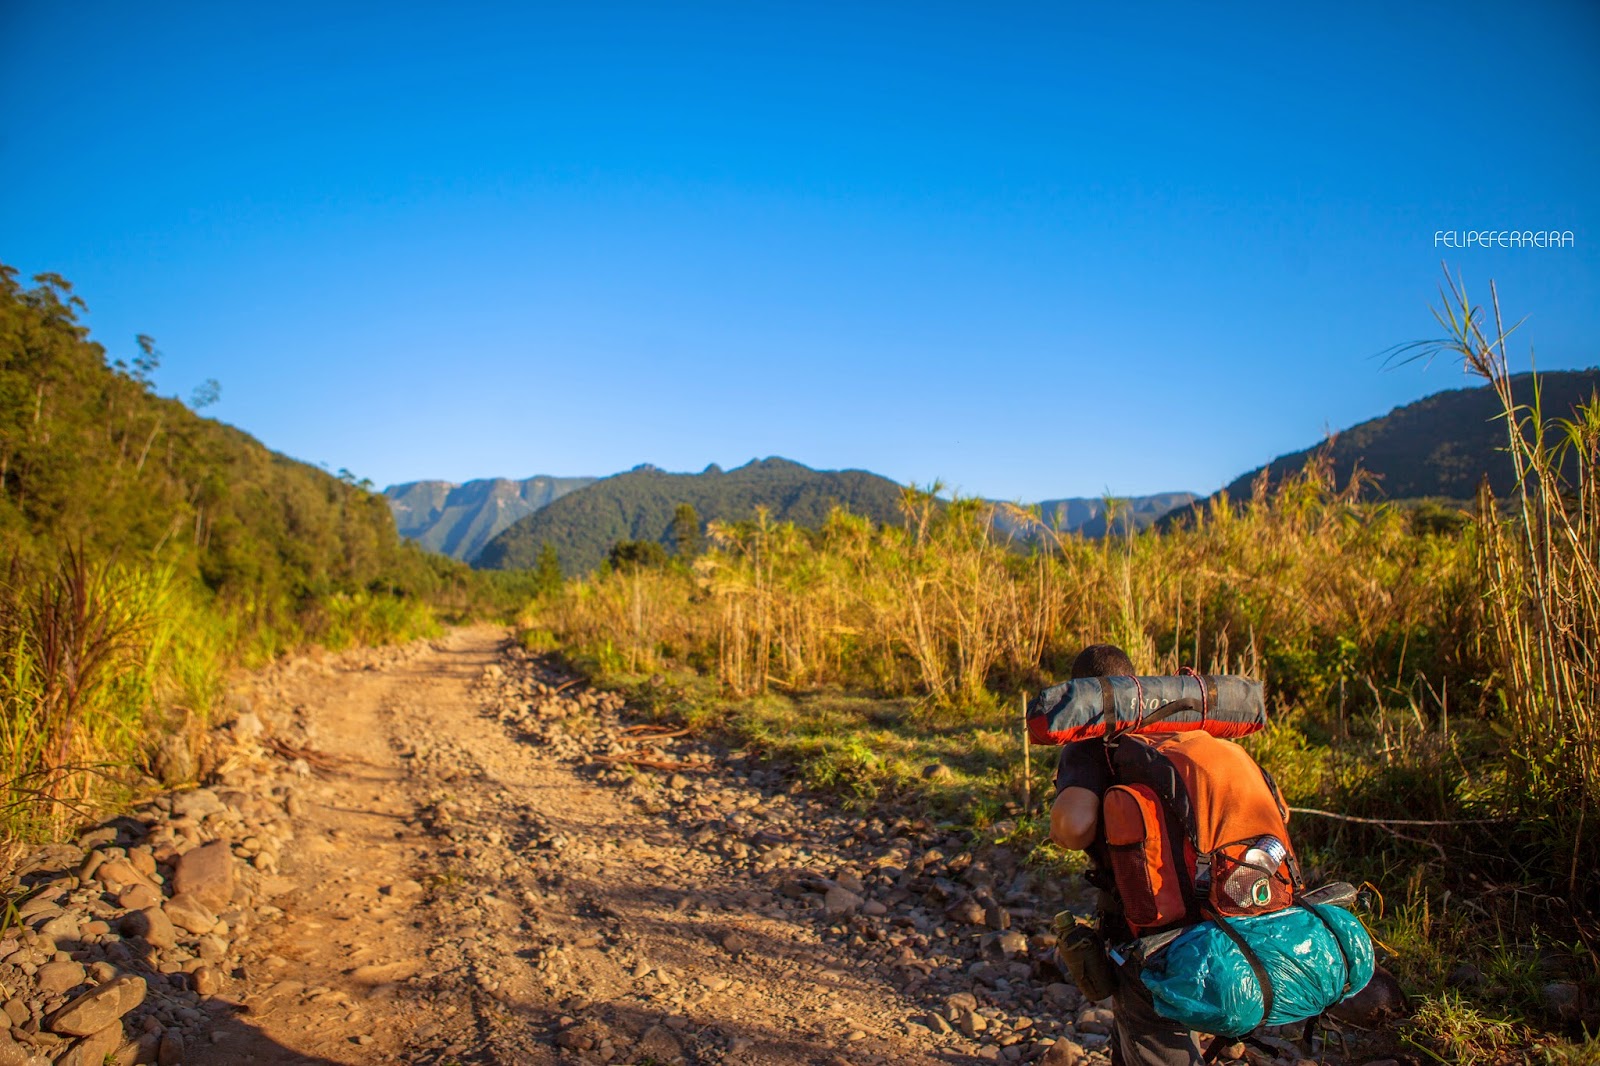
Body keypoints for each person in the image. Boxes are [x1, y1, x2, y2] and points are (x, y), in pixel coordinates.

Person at [1049, 643, 1203, 1066]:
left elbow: (1073, 828)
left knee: (1154, 1034)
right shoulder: (1172, 727)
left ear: (1079, 693)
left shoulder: (1092, 740)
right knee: (1140, 1030)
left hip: (1145, 917)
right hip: (1208, 901)